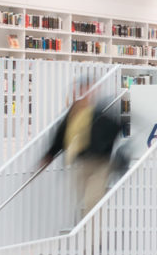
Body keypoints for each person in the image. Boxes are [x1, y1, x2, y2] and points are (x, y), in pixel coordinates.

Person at [40, 81, 124, 219]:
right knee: (77, 201)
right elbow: (61, 136)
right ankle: (81, 233)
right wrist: (49, 155)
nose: (83, 94)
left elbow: (116, 127)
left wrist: (104, 149)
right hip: (80, 162)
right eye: (81, 91)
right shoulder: (73, 113)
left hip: (100, 163)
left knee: (93, 201)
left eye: (87, 91)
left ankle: (93, 239)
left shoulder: (99, 110)